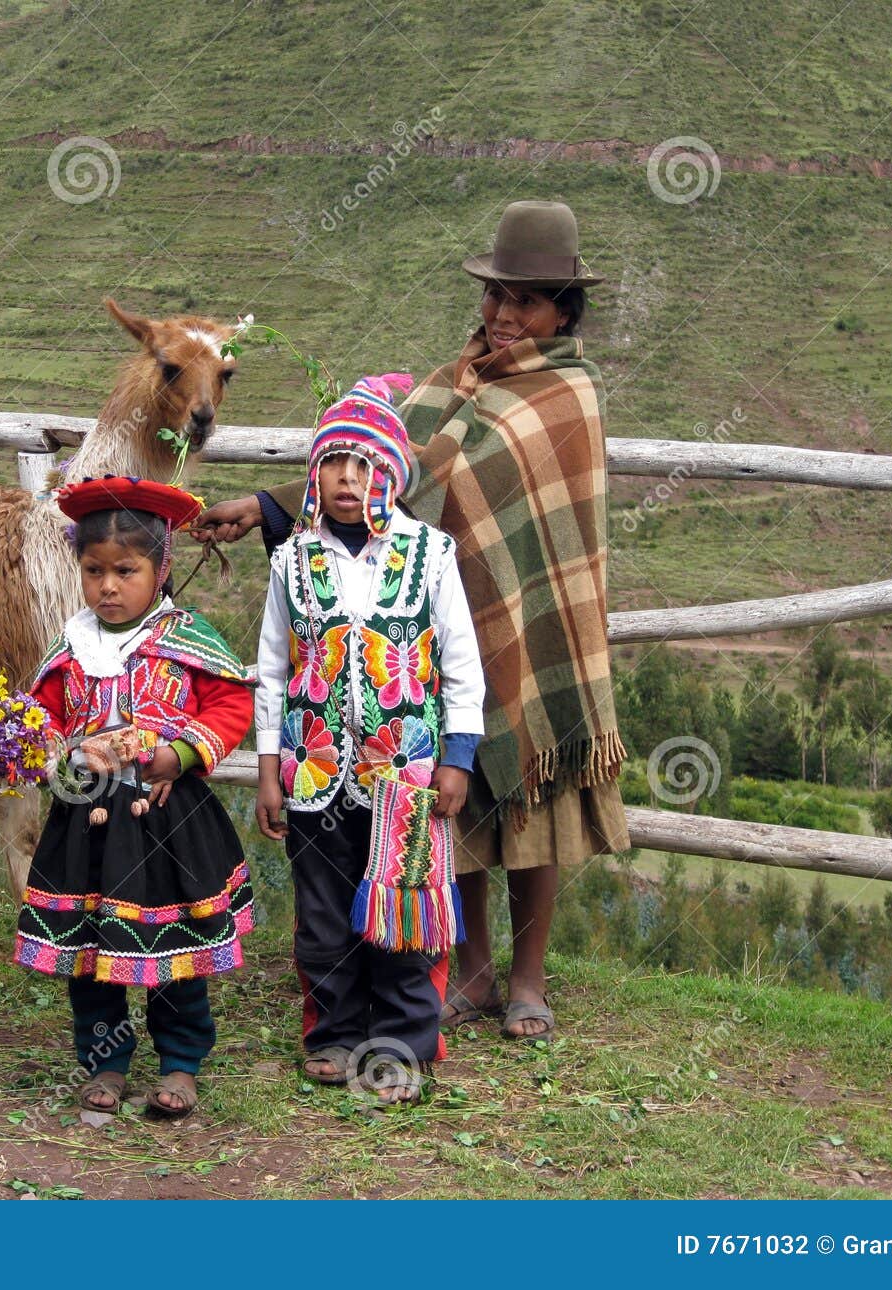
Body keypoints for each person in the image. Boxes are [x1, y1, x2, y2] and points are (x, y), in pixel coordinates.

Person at [199, 200, 631, 1044]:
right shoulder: (453, 380)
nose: (505, 316)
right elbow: (391, 465)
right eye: (497, 297)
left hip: (525, 619)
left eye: (528, 301)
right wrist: (268, 505)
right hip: (427, 618)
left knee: (531, 788)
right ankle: (467, 970)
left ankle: (529, 979)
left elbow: (523, 504)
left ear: (564, 312)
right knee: (454, 798)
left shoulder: (570, 393)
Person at [254, 374, 485, 1103]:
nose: (349, 480)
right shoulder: (293, 559)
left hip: (406, 775)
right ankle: (333, 1034)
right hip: (314, 770)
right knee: (322, 914)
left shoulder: (428, 554)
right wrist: (268, 767)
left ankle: (403, 1043)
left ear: (391, 473)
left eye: (366, 466)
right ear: (314, 472)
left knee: (403, 911)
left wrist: (458, 758)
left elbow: (460, 661)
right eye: (334, 464)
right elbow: (269, 664)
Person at [17, 475, 255, 1118]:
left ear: (162, 567)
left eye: (126, 570)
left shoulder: (188, 641)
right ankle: (106, 1062)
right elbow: (44, 721)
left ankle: (180, 1063)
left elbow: (232, 705)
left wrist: (179, 753)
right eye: (94, 571)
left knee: (174, 949)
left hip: (166, 823)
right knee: (91, 952)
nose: (108, 587)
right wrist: (54, 752)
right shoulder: (71, 648)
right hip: (87, 823)